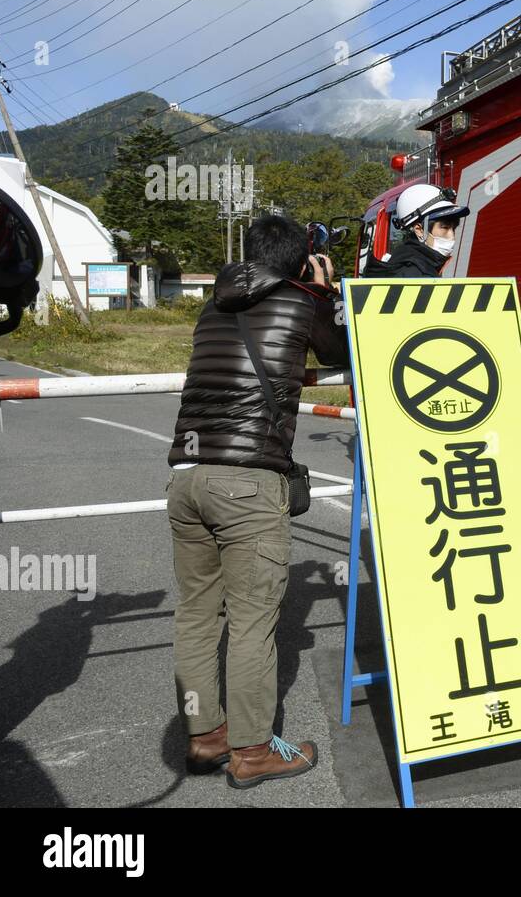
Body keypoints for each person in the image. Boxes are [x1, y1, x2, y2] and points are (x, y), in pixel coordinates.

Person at [166, 214, 350, 787]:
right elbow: (345, 352)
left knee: (197, 613)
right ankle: (251, 752)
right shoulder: (302, 301)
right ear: (302, 260)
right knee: (251, 624)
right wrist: (325, 290)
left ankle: (204, 736)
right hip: (247, 484)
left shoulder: (213, 301)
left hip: (187, 476)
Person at [365, 182, 469, 278]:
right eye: (445, 228)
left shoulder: (410, 264)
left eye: (453, 228)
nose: (452, 237)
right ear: (419, 230)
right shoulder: (416, 273)